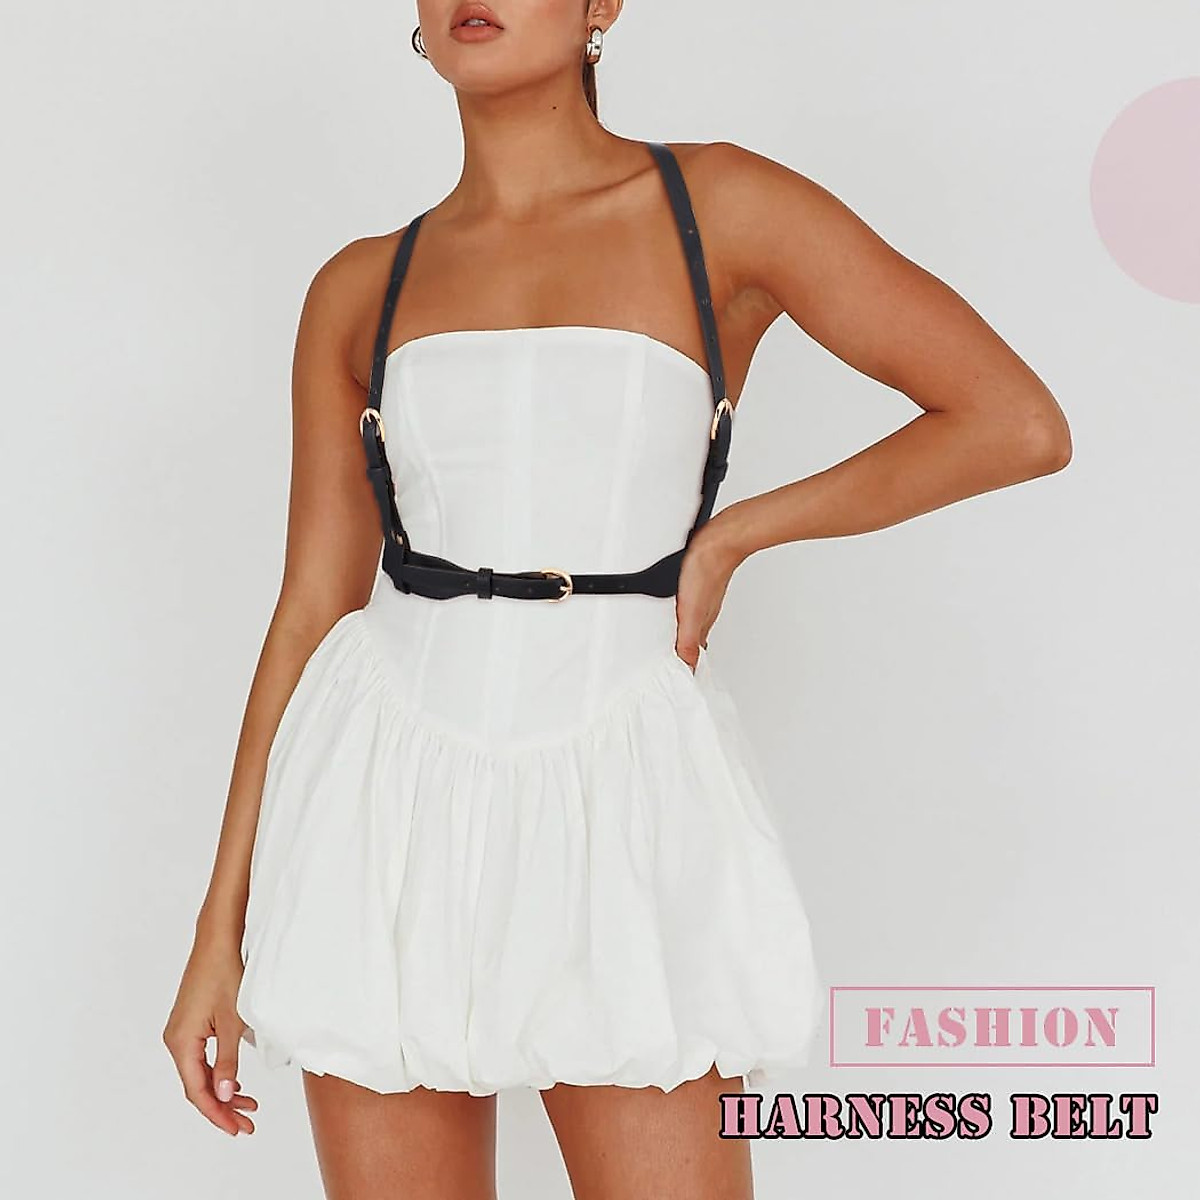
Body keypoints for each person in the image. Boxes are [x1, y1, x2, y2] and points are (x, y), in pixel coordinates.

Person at [162, 2, 1072, 1196]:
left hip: (624, 797)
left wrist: (740, 531)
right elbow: (308, 613)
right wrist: (218, 932)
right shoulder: (359, 286)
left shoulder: (723, 208)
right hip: (383, 811)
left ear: (602, 4)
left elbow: (1013, 421)